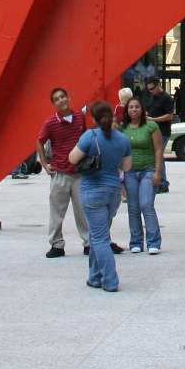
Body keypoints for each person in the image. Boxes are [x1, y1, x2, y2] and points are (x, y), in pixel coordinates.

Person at [69, 101, 132, 292]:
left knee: (99, 237)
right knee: (98, 233)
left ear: (93, 118)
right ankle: (95, 276)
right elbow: (126, 167)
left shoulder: (90, 136)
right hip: (113, 191)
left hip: (92, 189)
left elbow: (72, 158)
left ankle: (110, 280)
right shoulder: (123, 139)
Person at [36, 88, 92, 259]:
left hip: (79, 173)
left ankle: (88, 242)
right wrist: (45, 165)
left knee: (83, 210)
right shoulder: (51, 123)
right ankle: (56, 244)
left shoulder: (80, 117)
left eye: (62, 97)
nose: (61, 100)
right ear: (54, 104)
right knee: (56, 211)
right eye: (57, 99)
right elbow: (40, 141)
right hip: (60, 172)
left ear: (68, 97)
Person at [119, 96, 163, 255]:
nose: (134, 110)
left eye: (137, 107)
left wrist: (158, 172)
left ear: (142, 109)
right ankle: (136, 242)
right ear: (126, 110)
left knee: (146, 205)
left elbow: (159, 149)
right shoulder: (122, 128)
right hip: (130, 172)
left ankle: (153, 242)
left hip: (148, 171)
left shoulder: (151, 126)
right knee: (133, 208)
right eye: (131, 107)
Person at [142, 80, 176, 193]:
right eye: (149, 89)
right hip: (153, 130)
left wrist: (153, 120)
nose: (151, 91)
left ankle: (162, 182)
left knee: (158, 155)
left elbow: (170, 116)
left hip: (163, 131)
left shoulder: (166, 98)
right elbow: (151, 110)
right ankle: (161, 181)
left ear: (158, 85)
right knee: (158, 155)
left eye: (152, 89)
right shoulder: (153, 97)